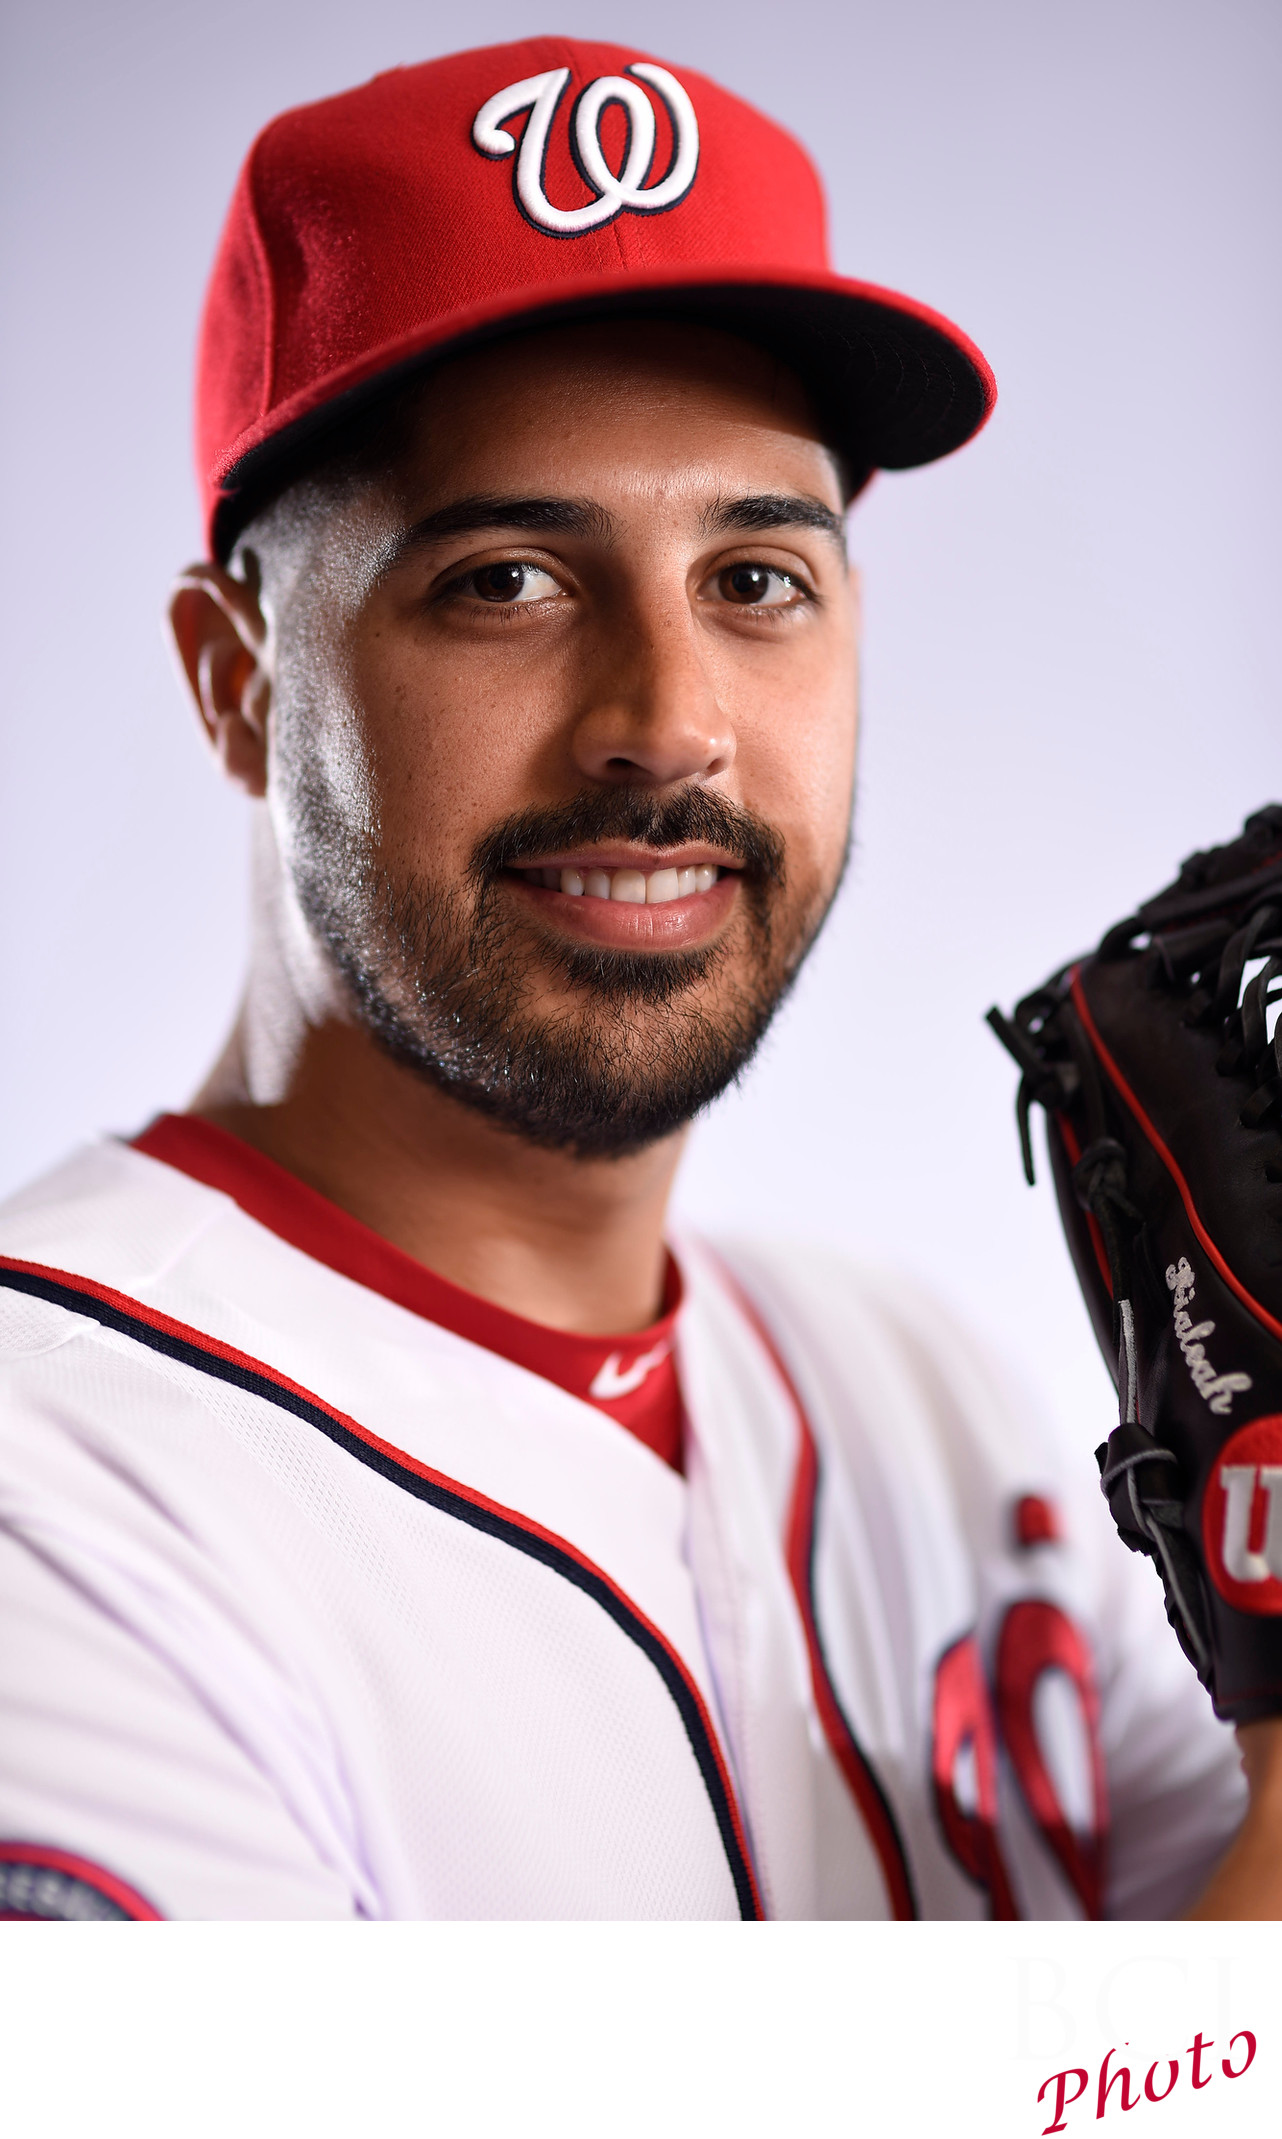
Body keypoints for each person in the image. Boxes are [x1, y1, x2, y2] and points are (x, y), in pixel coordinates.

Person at [0, 36, 1258, 1921]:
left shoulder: (912, 1389)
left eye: (757, 578)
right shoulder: (58, 1490)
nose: (666, 724)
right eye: (506, 577)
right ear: (235, 679)